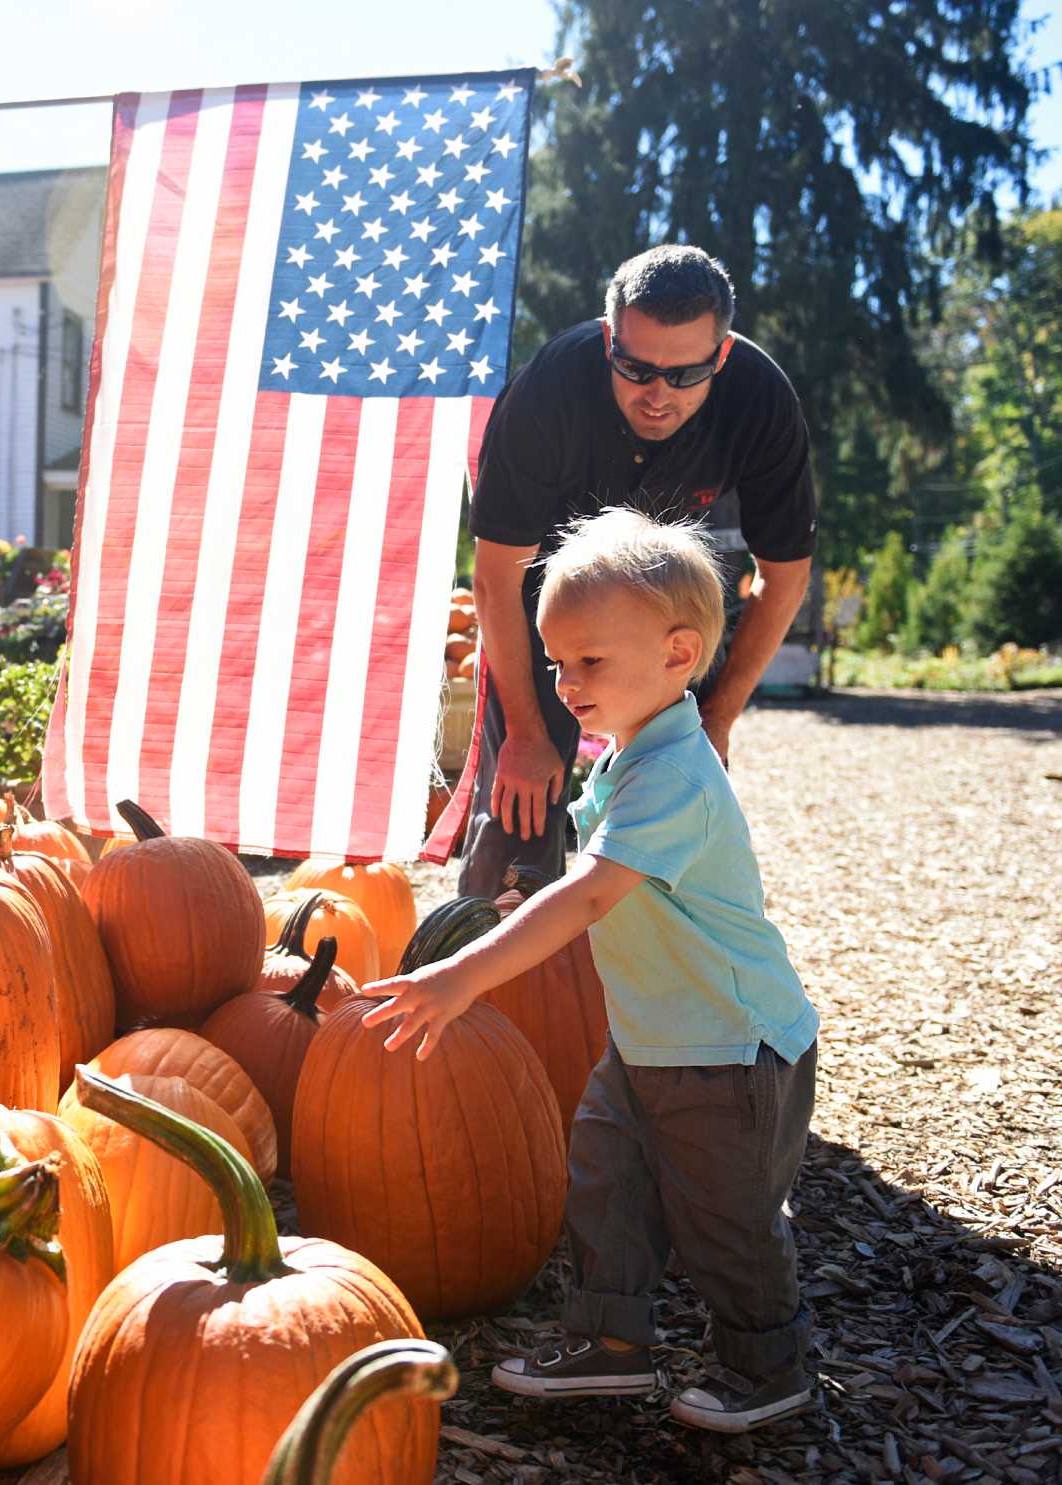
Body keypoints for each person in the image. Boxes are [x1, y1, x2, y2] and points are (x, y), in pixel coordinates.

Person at [366, 508, 820, 1435]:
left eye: (589, 663)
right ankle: (612, 1342)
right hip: (656, 1037)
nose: (565, 683)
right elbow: (590, 886)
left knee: (724, 1219)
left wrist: (464, 976)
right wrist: (511, 910)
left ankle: (767, 1361)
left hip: (732, 1051)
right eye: (556, 661)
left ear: (679, 653)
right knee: (607, 1177)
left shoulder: (677, 778)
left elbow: (583, 899)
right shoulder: (630, 753)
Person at [456, 244, 816, 898]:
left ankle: (649, 978)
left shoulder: (762, 401)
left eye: (684, 375)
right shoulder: (549, 391)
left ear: (722, 355)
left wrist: (718, 718)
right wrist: (530, 735)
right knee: (517, 819)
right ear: (607, 337)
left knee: (669, 819)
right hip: (546, 604)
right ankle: (476, 972)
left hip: (662, 599)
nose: (656, 395)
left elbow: (785, 577)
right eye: (635, 366)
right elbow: (494, 579)